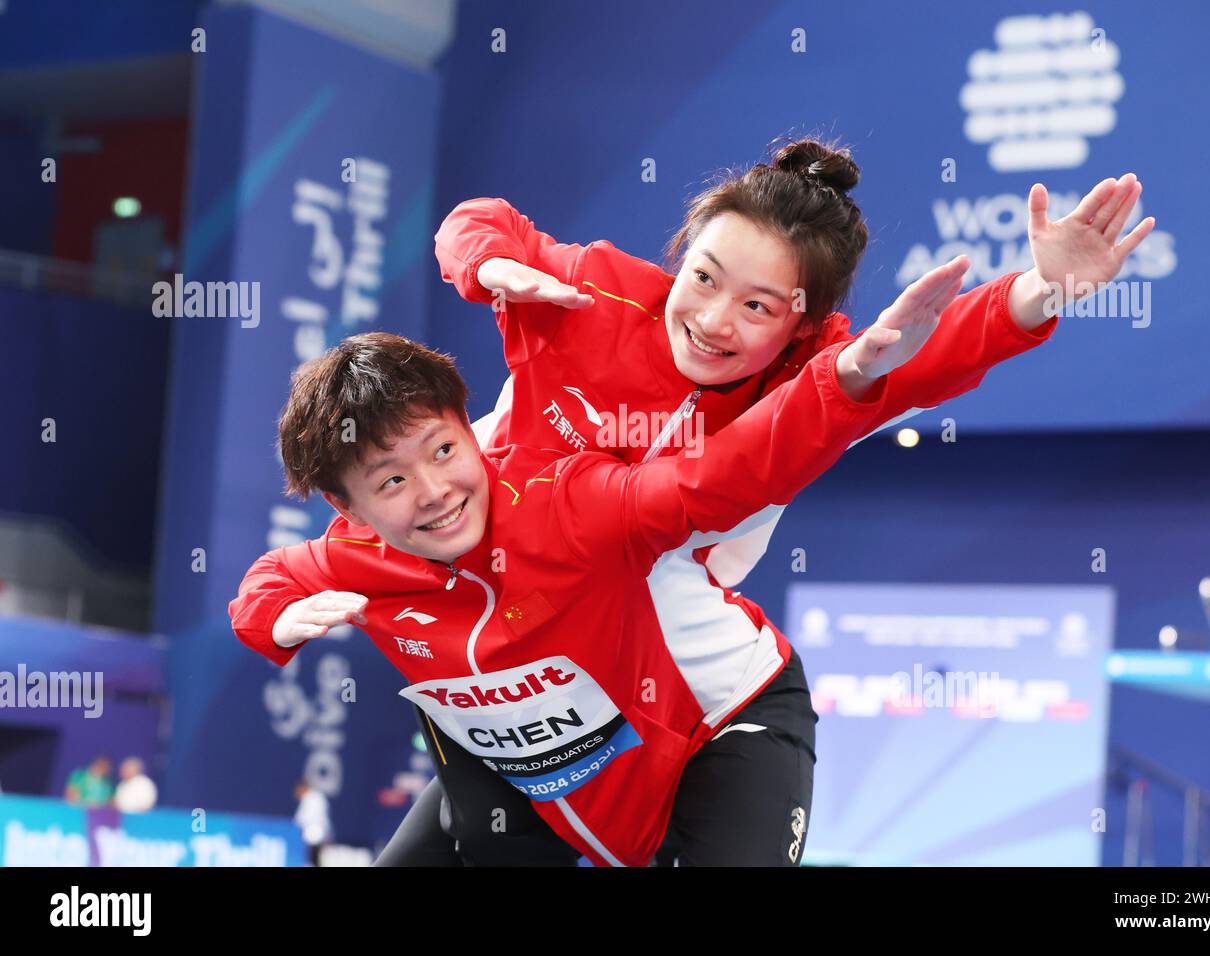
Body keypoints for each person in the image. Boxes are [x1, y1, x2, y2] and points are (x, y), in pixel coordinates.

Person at [416, 138, 1150, 864]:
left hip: (712, 699)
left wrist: (1040, 287)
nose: (712, 320)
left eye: (757, 306)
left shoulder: (817, 383)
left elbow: (930, 349)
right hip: (545, 682)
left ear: (801, 328)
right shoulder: (590, 293)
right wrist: (490, 266)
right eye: (702, 278)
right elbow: (481, 218)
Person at [229, 296, 1024, 866]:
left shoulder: (569, 502)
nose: (435, 492)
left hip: (717, 729)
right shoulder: (352, 560)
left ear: (467, 426)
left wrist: (1018, 306)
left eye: (443, 451)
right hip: (533, 776)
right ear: (348, 506)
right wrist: (273, 620)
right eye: (391, 481)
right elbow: (268, 579)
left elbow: (749, 461)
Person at [293, 779, 332, 866]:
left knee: (313, 858)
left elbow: (305, 820)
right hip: (314, 835)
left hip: (314, 834)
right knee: (312, 859)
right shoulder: (311, 798)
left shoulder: (314, 798)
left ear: (303, 787)